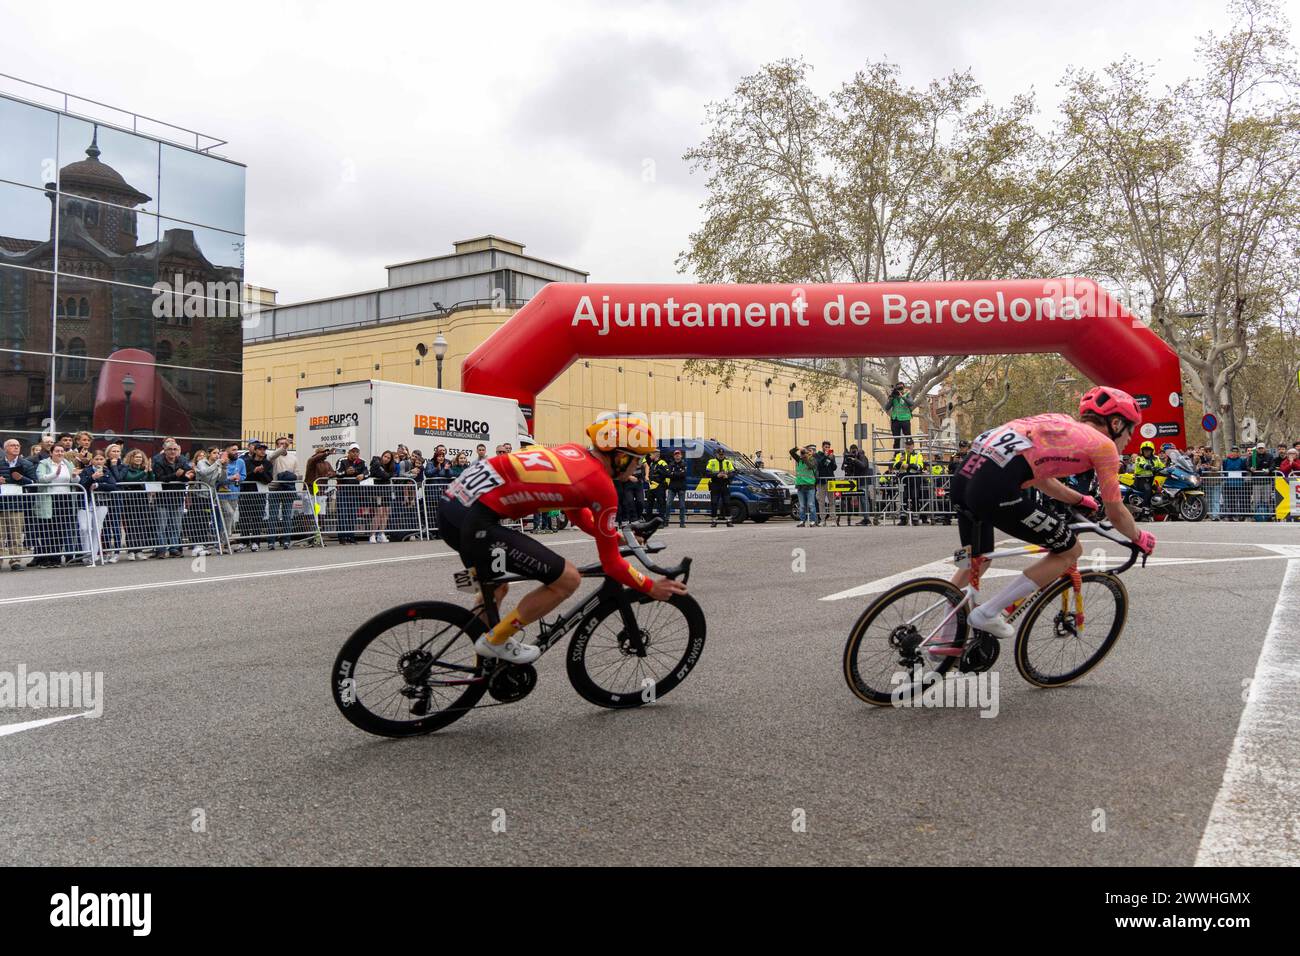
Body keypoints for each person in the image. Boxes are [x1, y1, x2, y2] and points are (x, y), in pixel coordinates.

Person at [437, 413, 688, 664]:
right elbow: (611, 564)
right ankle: (495, 641)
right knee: (567, 579)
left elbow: (575, 510)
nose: (638, 465)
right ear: (621, 457)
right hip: (475, 519)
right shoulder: (601, 484)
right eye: (637, 459)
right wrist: (651, 587)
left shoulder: (575, 451)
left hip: (452, 507)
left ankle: (482, 669)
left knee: (496, 587)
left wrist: (615, 537)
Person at [949, 386, 1154, 641]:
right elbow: (1115, 511)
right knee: (1070, 551)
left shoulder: (1058, 423)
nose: (1130, 439)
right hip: (994, 489)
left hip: (962, 482)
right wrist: (1138, 536)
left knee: (976, 558)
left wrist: (1079, 499)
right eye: (1131, 430)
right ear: (1116, 423)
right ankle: (988, 613)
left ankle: (945, 636)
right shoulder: (1103, 446)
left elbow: (1041, 480)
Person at [33, 443, 77, 567]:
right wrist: (55, 474)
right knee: (48, 529)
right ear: (51, 453)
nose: (60, 453)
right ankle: (47, 558)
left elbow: (74, 481)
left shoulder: (67, 463)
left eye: (62, 451)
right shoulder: (44, 463)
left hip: (65, 499)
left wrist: (75, 476)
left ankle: (56, 558)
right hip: (49, 499)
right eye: (57, 451)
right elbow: (40, 478)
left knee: (61, 529)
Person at [0, 438, 36, 571]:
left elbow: (34, 482)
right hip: (1, 504)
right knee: (0, 535)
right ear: (5, 449)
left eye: (18, 445)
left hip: (17, 505)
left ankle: (15, 561)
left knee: (15, 535)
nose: (16, 447)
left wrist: (21, 479)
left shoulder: (26, 464)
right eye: (12, 445)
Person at [892, 438, 927, 525]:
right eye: (907, 445)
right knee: (903, 497)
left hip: (914, 478)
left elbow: (920, 467)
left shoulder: (918, 455)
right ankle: (903, 518)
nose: (908, 446)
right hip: (903, 478)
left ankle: (915, 518)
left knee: (915, 497)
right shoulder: (900, 455)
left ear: (913, 445)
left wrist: (909, 466)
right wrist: (900, 462)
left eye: (910, 445)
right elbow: (895, 466)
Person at [368, 450, 395, 543]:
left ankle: (381, 534)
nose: (386, 459)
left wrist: (387, 475)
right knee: (378, 513)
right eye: (385, 456)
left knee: (386, 512)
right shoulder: (376, 463)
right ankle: (372, 535)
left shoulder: (391, 466)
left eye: (388, 458)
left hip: (386, 491)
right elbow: (384, 475)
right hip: (377, 492)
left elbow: (390, 474)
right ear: (382, 456)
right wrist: (386, 475)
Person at [882, 383, 917, 452]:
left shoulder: (907, 395)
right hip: (895, 419)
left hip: (905, 419)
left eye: (901, 388)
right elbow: (886, 408)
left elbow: (912, 403)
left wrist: (903, 397)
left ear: (904, 388)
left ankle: (911, 453)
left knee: (908, 437)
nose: (900, 390)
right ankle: (896, 454)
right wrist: (891, 399)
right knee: (896, 438)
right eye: (898, 389)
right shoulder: (893, 396)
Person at [705, 447, 735, 527]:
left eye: (722, 454)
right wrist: (716, 475)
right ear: (716, 454)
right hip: (715, 485)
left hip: (724, 485)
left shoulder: (728, 462)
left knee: (727, 503)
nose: (721, 456)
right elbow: (707, 473)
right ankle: (714, 521)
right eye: (719, 454)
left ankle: (729, 521)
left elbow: (733, 473)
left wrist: (727, 476)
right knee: (714, 503)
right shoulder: (711, 462)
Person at [790, 445, 818, 527]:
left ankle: (813, 521)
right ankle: (802, 521)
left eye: (809, 451)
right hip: (800, 485)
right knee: (801, 506)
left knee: (811, 504)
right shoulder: (799, 459)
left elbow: (810, 466)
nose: (806, 452)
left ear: (812, 453)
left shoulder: (813, 460)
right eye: (806, 451)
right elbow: (791, 452)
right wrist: (798, 448)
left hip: (810, 486)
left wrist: (805, 457)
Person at [814, 441, 838, 526]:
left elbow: (834, 468)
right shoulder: (818, 455)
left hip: (830, 481)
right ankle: (823, 520)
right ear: (822, 447)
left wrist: (831, 460)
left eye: (828, 447)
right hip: (821, 482)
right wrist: (825, 456)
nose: (827, 448)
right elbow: (819, 465)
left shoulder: (832, 456)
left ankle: (833, 520)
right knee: (821, 502)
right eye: (826, 447)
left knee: (832, 501)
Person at [665, 448, 688, 527]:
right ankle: (666, 521)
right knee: (668, 504)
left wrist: (674, 473)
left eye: (678, 455)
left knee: (682, 506)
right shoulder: (671, 464)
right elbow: (668, 474)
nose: (677, 456)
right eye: (676, 455)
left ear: (681, 456)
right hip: (672, 487)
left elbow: (683, 474)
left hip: (681, 488)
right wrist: (678, 473)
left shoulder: (684, 464)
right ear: (674, 456)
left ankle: (682, 523)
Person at [647, 449, 670, 520]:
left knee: (661, 504)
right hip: (651, 486)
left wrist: (659, 471)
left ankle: (661, 521)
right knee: (649, 505)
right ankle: (648, 520)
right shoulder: (652, 463)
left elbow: (668, 474)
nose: (650, 455)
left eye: (651, 454)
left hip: (659, 486)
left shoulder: (662, 463)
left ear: (656, 454)